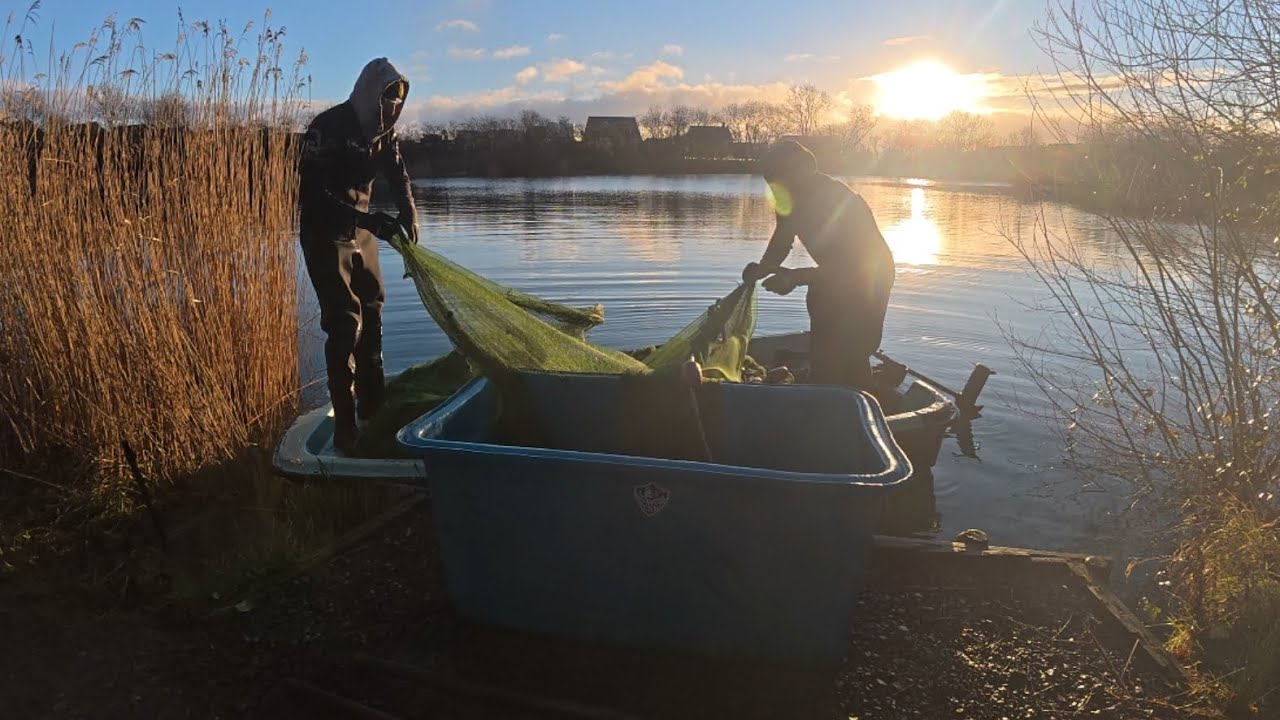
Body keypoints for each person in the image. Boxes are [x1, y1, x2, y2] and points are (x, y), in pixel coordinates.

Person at [298, 58, 419, 454]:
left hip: (362, 235)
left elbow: (398, 175)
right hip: (325, 234)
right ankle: (345, 427)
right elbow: (313, 194)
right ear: (370, 93)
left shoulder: (385, 135)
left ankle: (373, 407)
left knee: (373, 313)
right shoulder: (328, 127)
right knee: (346, 323)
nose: (392, 107)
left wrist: (408, 211)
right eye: (387, 98)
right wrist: (367, 220)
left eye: (398, 100)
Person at [742, 140, 894, 390]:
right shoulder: (787, 198)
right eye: (770, 181)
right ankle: (822, 385)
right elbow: (782, 240)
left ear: (803, 173)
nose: (775, 188)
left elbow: (851, 268)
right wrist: (762, 268)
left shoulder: (835, 200)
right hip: (830, 275)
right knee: (823, 341)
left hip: (871, 276)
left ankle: (860, 397)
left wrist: (794, 278)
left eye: (779, 179)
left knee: (854, 348)